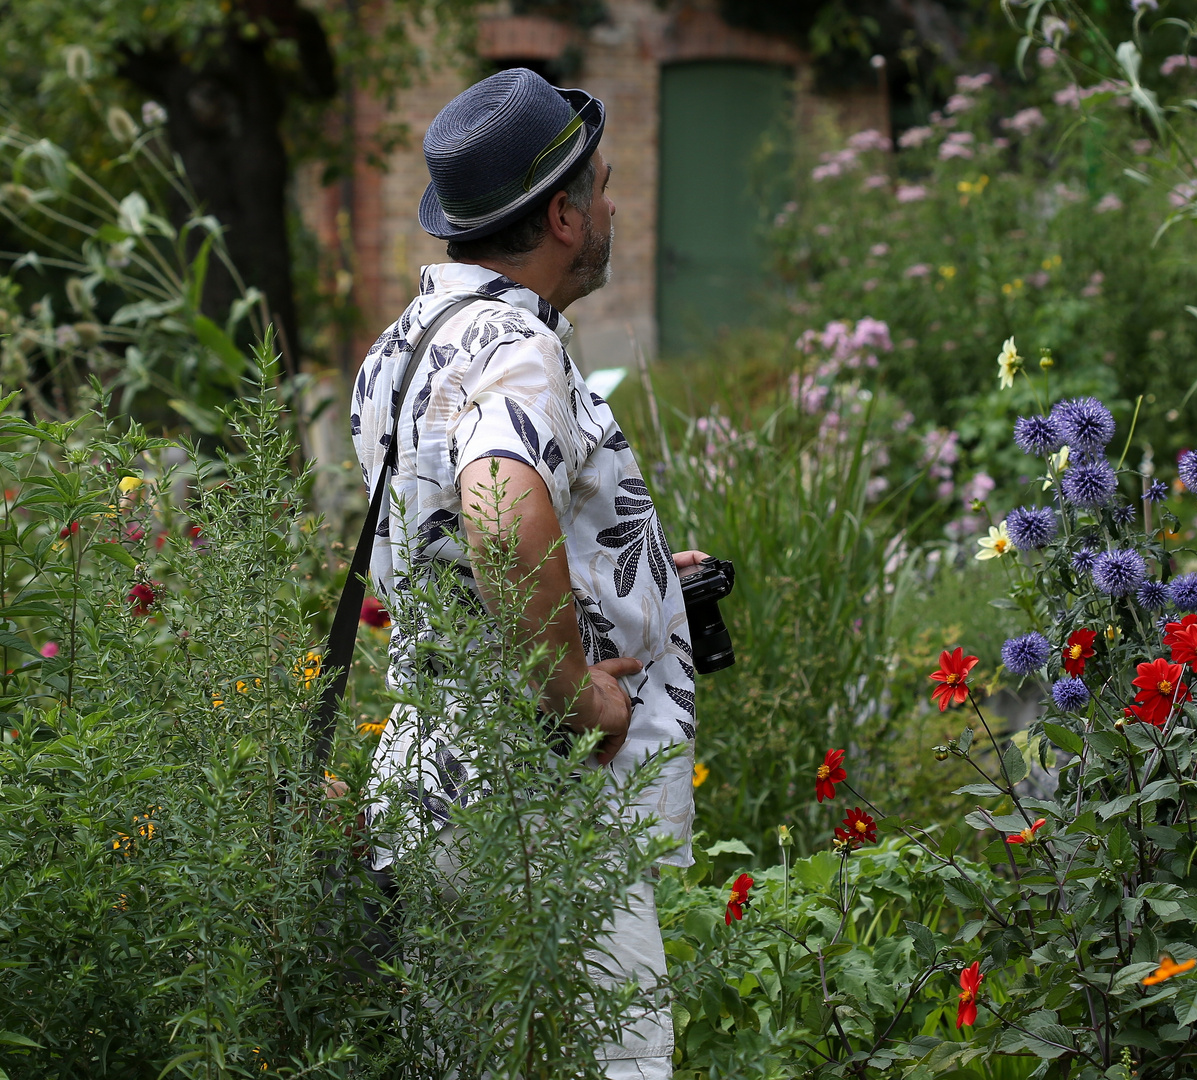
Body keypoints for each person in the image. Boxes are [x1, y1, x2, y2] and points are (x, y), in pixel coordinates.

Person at [348, 68, 698, 1078]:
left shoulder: (406, 344)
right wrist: (575, 690)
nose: (616, 207)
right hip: (531, 798)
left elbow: (445, 535)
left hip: (429, 781)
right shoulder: (516, 347)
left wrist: (617, 581)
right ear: (561, 216)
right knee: (622, 1059)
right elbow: (501, 517)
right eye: (605, 187)